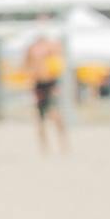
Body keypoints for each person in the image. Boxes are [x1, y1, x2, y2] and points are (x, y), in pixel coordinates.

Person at [27, 27, 71, 155]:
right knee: (40, 118)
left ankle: (63, 145)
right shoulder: (33, 49)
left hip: (50, 82)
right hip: (39, 84)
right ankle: (45, 148)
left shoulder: (51, 47)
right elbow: (27, 65)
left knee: (55, 115)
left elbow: (59, 58)